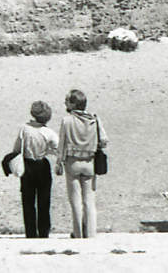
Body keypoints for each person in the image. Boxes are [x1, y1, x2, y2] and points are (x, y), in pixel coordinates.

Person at [55, 88, 107, 238]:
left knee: (75, 201)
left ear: (73, 104)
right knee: (89, 200)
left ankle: (78, 233)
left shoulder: (67, 121)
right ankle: (90, 232)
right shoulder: (95, 119)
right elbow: (104, 141)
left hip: (72, 162)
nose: (65, 103)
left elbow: (62, 144)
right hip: (90, 162)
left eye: (67, 101)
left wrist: (59, 162)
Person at [4, 100, 58, 238]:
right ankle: (44, 231)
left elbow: (17, 148)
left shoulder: (24, 129)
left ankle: (30, 232)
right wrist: (47, 151)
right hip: (42, 165)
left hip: (27, 166)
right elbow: (57, 149)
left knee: (28, 201)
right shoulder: (49, 132)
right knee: (44, 200)